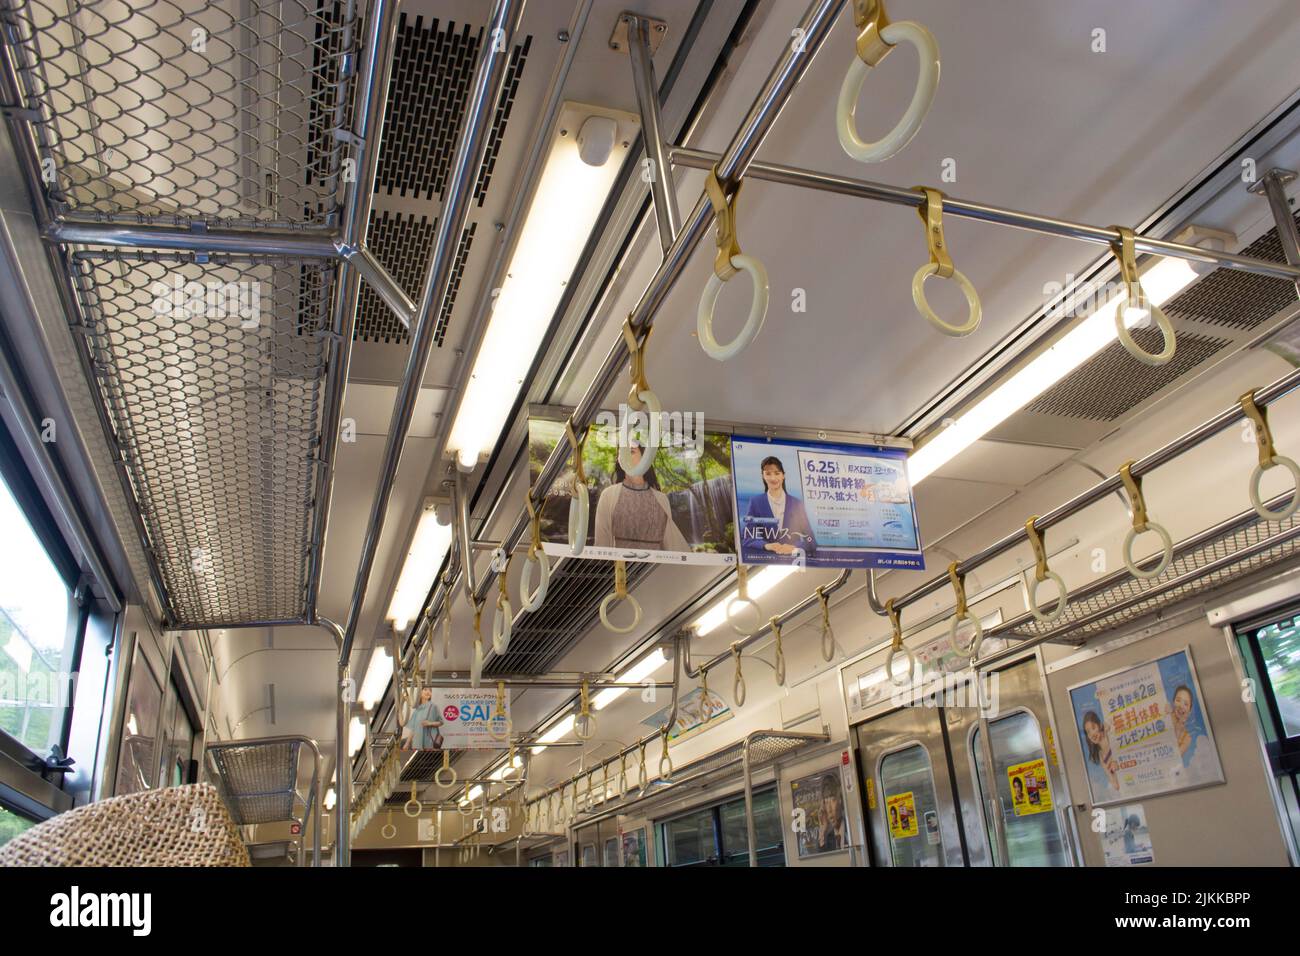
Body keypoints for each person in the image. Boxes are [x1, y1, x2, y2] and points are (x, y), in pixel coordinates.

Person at [593, 441, 689, 552]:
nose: (626, 456)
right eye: (622, 453)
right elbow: (601, 545)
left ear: (644, 458)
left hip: (655, 567)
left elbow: (670, 544)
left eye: (631, 452)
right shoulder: (608, 495)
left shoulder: (661, 499)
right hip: (619, 567)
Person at [740, 456, 816, 562]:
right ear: (763, 476)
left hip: (795, 563)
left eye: (777, 473)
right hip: (767, 563)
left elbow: (811, 540)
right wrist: (767, 545)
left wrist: (793, 547)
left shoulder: (797, 504)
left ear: (783, 475)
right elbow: (746, 538)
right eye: (768, 474)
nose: (773, 478)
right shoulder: (756, 502)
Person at [1082, 710, 1120, 791]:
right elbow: (1115, 785)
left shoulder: (1109, 734)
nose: (1092, 734)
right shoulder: (1101, 756)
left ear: (1099, 725)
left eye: (1093, 728)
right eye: (1088, 732)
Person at [401, 686, 443, 751]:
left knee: (431, 759)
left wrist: (430, 723)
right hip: (417, 743)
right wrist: (407, 743)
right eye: (425, 690)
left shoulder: (433, 707)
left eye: (430, 690)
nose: (428, 692)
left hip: (430, 742)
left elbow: (441, 722)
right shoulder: (417, 709)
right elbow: (413, 729)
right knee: (418, 760)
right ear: (420, 693)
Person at [817, 775, 845, 852]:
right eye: (826, 802)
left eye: (832, 800)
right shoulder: (827, 836)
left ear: (840, 801)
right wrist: (823, 829)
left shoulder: (849, 829)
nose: (828, 809)